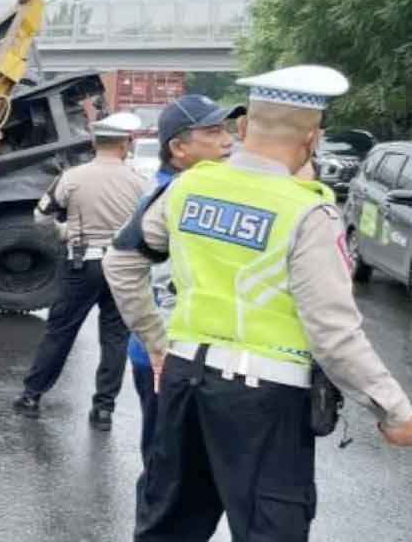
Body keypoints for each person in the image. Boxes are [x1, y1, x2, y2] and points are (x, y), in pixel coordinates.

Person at [104, 66, 412, 541]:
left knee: (167, 528)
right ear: (313, 138)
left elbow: (122, 262)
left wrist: (158, 344)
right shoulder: (309, 212)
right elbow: (332, 332)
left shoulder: (188, 188)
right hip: (265, 400)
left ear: (244, 127)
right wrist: (394, 410)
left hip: (183, 382)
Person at [119, 94, 242, 463]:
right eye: (213, 132)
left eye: (228, 130)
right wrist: (159, 346)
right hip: (169, 358)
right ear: (178, 147)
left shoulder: (202, 191)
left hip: (197, 358)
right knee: (164, 463)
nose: (228, 141)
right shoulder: (168, 198)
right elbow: (129, 271)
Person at [11, 111, 147, 430]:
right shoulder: (141, 182)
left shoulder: (72, 177)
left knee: (60, 332)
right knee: (115, 338)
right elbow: (149, 228)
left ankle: (31, 397)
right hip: (123, 268)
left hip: (82, 263)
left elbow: (41, 217)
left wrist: (65, 232)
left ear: (94, 143)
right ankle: (103, 410)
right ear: (126, 144)